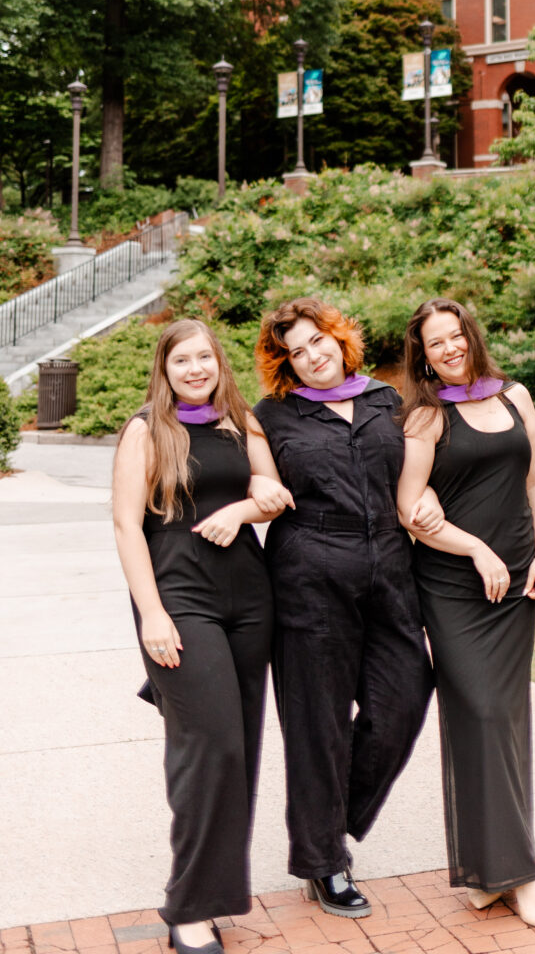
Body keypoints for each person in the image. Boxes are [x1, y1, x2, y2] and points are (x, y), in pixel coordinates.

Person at [112, 319, 293, 954]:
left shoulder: (237, 420)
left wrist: (245, 506)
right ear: (164, 369)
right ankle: (187, 908)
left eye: (205, 358)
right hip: (179, 595)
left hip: (249, 595)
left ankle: (214, 897)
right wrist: (152, 615)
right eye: (182, 360)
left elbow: (274, 493)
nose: (195, 369)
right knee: (207, 748)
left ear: (219, 363)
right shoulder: (146, 429)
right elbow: (127, 528)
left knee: (238, 749)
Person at [253, 296, 437, 919]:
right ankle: (324, 860)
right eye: (295, 353)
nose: (311, 357)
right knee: (318, 726)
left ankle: (328, 825)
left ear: (339, 337)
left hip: (390, 570)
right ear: (285, 366)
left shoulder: (389, 402)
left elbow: (420, 468)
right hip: (310, 574)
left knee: (404, 698)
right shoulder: (271, 417)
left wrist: (431, 497)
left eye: (316, 341)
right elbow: (241, 472)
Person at [396, 297, 535, 933]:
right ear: (424, 356)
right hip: (454, 590)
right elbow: (411, 509)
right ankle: (522, 876)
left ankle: (486, 873)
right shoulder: (425, 419)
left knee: (502, 718)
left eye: (455, 335)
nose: (450, 349)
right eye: (435, 343)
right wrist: (476, 547)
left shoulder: (515, 395)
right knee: (482, 715)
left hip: (519, 588)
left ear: (471, 335)